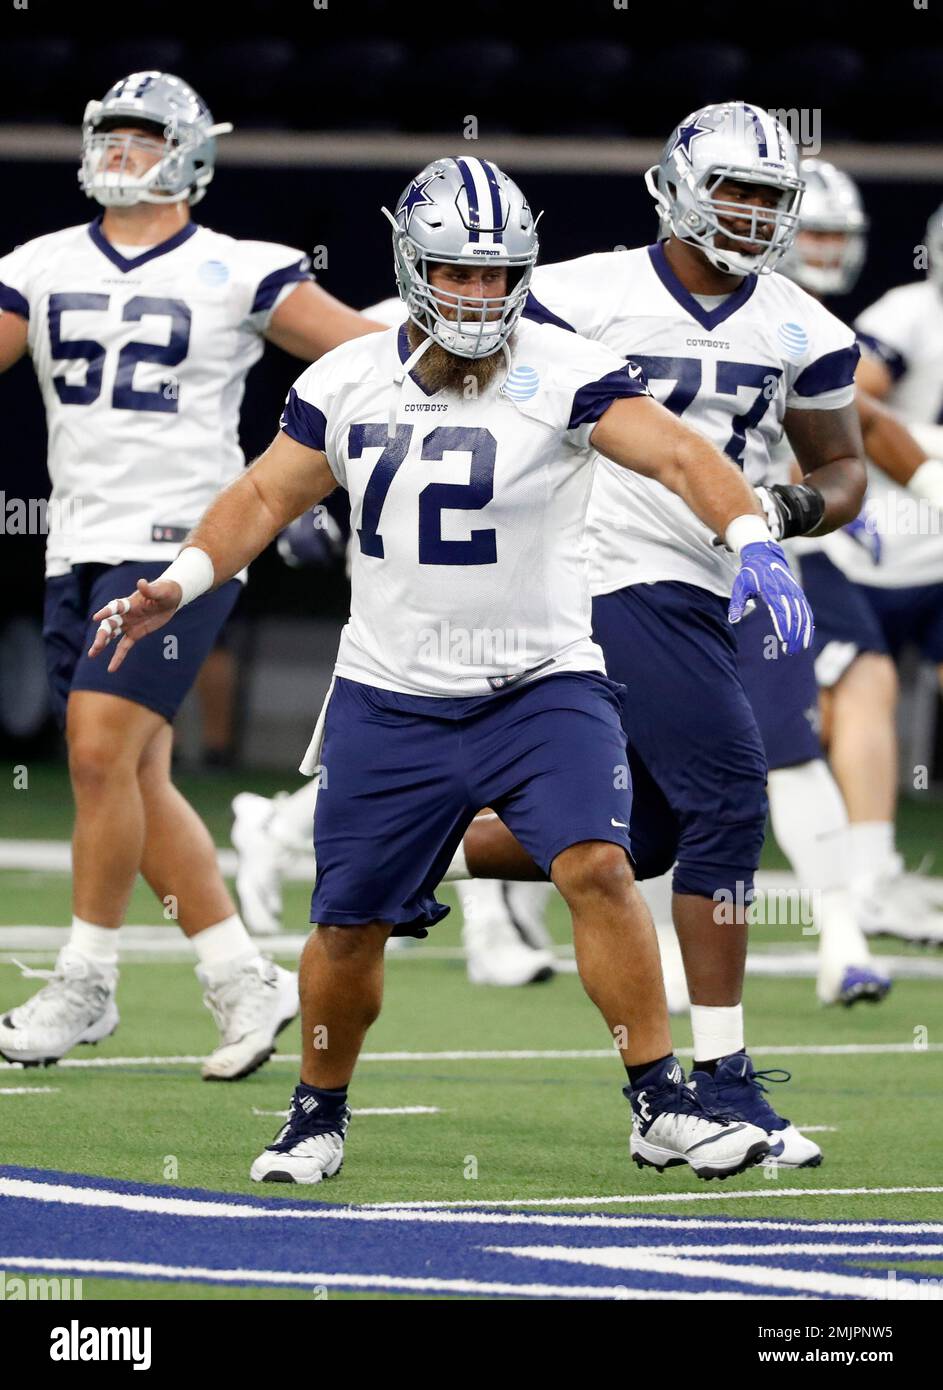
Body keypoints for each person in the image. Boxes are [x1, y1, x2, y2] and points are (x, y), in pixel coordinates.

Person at [87, 155, 816, 1184]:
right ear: (412, 264)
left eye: (495, 273)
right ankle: (315, 1112)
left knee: (600, 866)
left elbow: (680, 456)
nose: (478, 294)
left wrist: (752, 536)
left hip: (544, 684)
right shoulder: (345, 375)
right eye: (456, 273)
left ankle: (659, 1101)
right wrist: (180, 577)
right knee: (348, 928)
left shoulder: (559, 370)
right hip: (391, 695)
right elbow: (262, 496)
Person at [0, 71, 384, 1078]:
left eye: (141, 136)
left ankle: (87, 978)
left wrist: (305, 489)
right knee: (129, 770)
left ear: (187, 153)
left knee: (93, 750)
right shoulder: (38, 264)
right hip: (76, 543)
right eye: (110, 135)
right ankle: (239, 977)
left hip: (184, 545)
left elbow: (372, 362)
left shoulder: (241, 270)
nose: (120, 153)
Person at [783, 180, 943, 944]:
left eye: (834, 236)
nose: (826, 251)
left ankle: (868, 881)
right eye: (811, 234)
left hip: (848, 547)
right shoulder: (898, 317)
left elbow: (853, 412)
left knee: (850, 694)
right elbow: (859, 404)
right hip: (783, 544)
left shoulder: (812, 319)